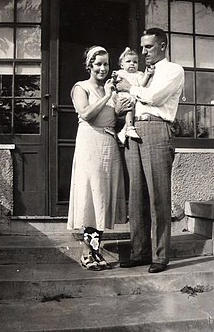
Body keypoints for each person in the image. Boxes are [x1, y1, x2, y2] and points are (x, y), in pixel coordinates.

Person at [116, 28, 184, 273]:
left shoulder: (173, 70)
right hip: (134, 131)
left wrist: (130, 88)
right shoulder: (143, 75)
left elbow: (154, 98)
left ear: (163, 46)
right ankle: (139, 252)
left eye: (149, 47)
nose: (143, 52)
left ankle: (160, 256)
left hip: (157, 129)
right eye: (142, 47)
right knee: (136, 196)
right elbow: (125, 101)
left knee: (158, 196)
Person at [67, 45, 127, 271]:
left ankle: (96, 250)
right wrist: (108, 96)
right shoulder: (81, 88)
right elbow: (86, 114)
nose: (103, 68)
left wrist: (121, 106)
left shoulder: (110, 89)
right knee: (91, 197)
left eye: (106, 64)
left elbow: (116, 119)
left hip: (108, 146)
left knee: (101, 198)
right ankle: (86, 253)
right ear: (89, 65)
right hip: (90, 145)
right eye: (98, 64)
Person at [112, 47, 154, 144]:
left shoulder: (139, 74)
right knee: (129, 109)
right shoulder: (121, 73)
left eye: (135, 62)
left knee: (135, 112)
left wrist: (147, 75)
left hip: (134, 96)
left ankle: (123, 131)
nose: (132, 64)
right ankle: (130, 128)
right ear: (122, 64)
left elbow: (142, 84)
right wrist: (114, 77)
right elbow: (115, 84)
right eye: (128, 61)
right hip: (124, 96)